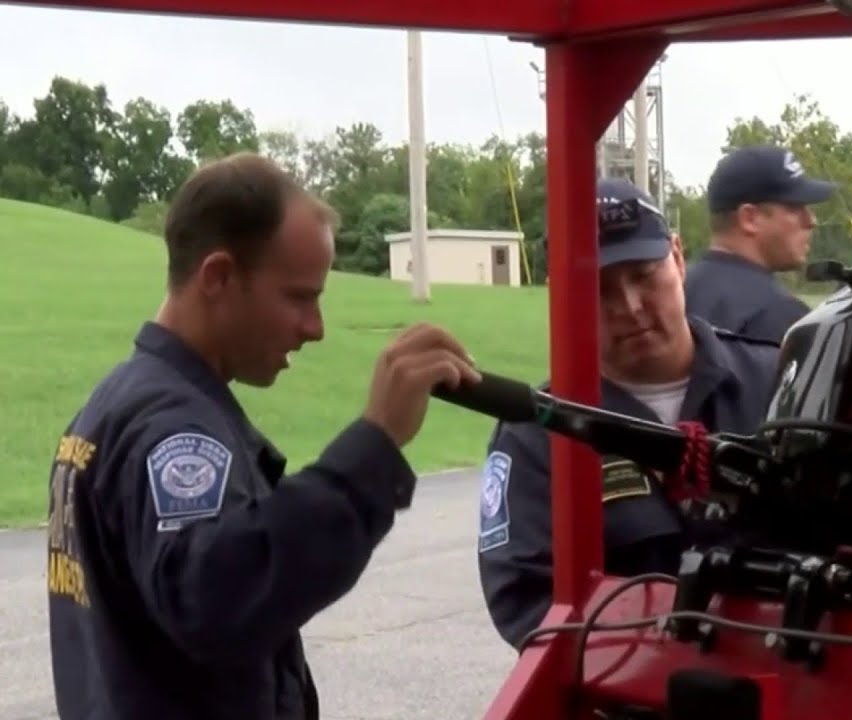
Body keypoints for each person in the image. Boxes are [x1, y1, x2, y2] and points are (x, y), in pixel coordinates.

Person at [45, 152, 480, 720]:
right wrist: (375, 444)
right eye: (300, 297)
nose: (316, 328)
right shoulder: (169, 428)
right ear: (219, 277)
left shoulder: (112, 405)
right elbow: (219, 599)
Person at [476, 177, 781, 649]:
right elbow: (528, 602)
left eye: (643, 274)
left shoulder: (780, 384)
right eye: (598, 289)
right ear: (562, 295)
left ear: (678, 258)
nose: (631, 307)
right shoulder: (540, 432)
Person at [683, 144, 838, 344]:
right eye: (794, 207)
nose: (811, 220)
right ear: (749, 218)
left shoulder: (676, 294)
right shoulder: (778, 314)